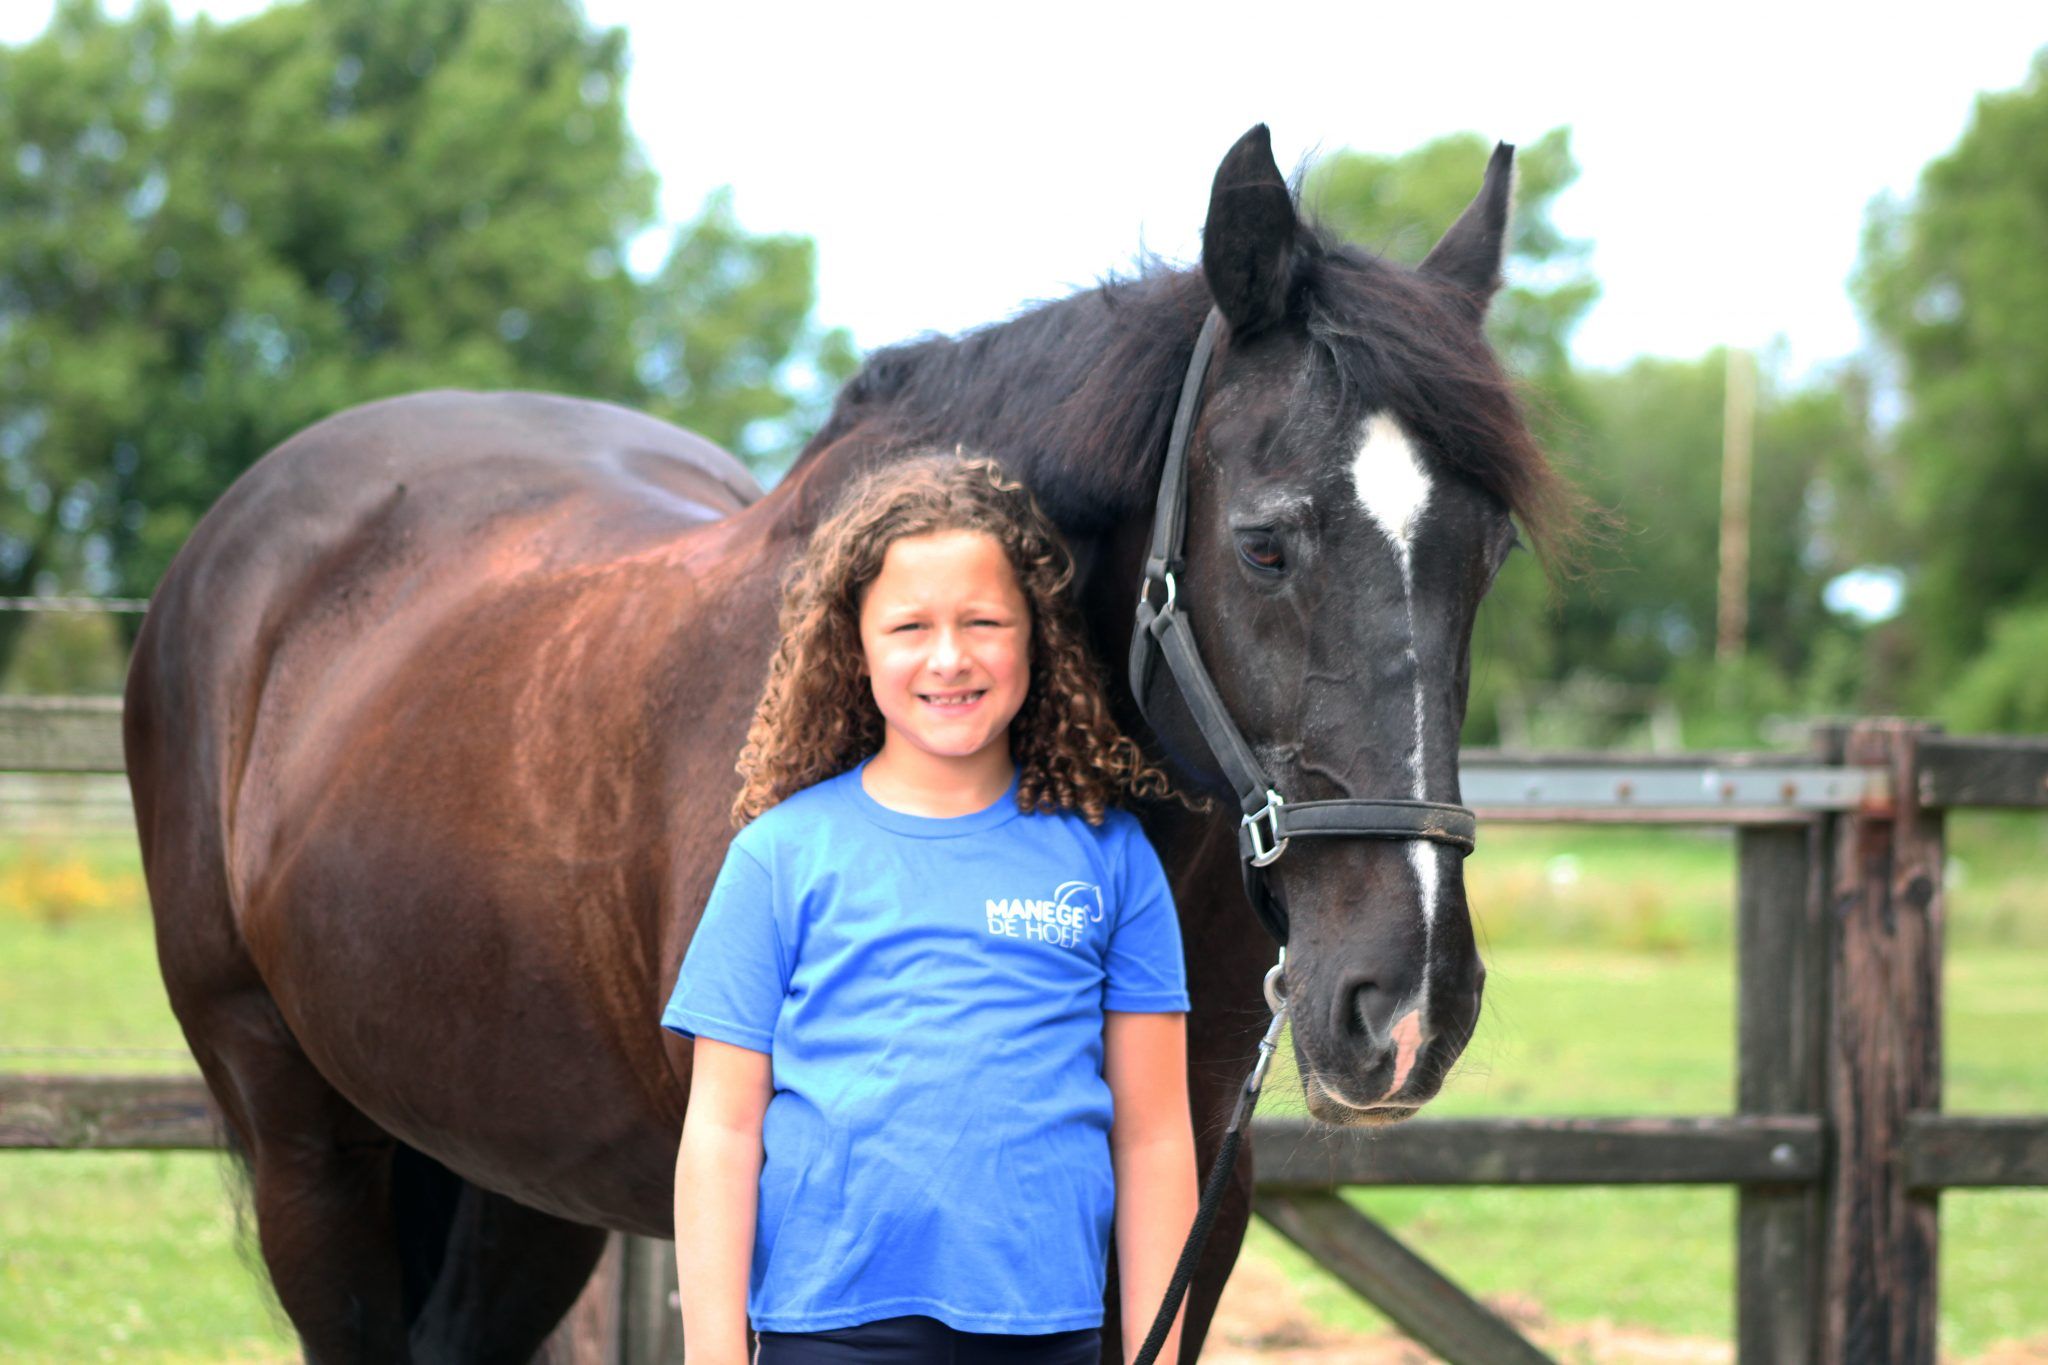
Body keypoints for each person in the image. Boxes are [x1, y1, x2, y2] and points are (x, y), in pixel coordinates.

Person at [665, 453, 1199, 1365]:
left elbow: (1154, 1136)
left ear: (1036, 636)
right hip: (826, 1329)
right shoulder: (780, 855)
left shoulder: (1111, 859)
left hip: (1048, 1332)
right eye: (909, 624)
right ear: (856, 643)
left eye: (984, 621)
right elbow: (720, 1129)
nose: (949, 656)